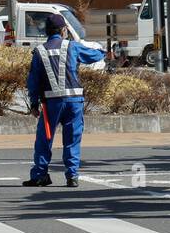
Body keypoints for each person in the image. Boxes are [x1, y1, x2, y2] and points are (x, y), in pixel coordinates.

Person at [23, 13, 107, 188]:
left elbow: (33, 81)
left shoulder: (39, 51)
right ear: (63, 30)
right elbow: (95, 56)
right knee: (72, 138)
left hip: (50, 104)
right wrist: (103, 50)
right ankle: (72, 176)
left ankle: (40, 175)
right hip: (74, 102)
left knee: (44, 139)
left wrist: (33, 103)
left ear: (46, 31)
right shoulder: (72, 46)